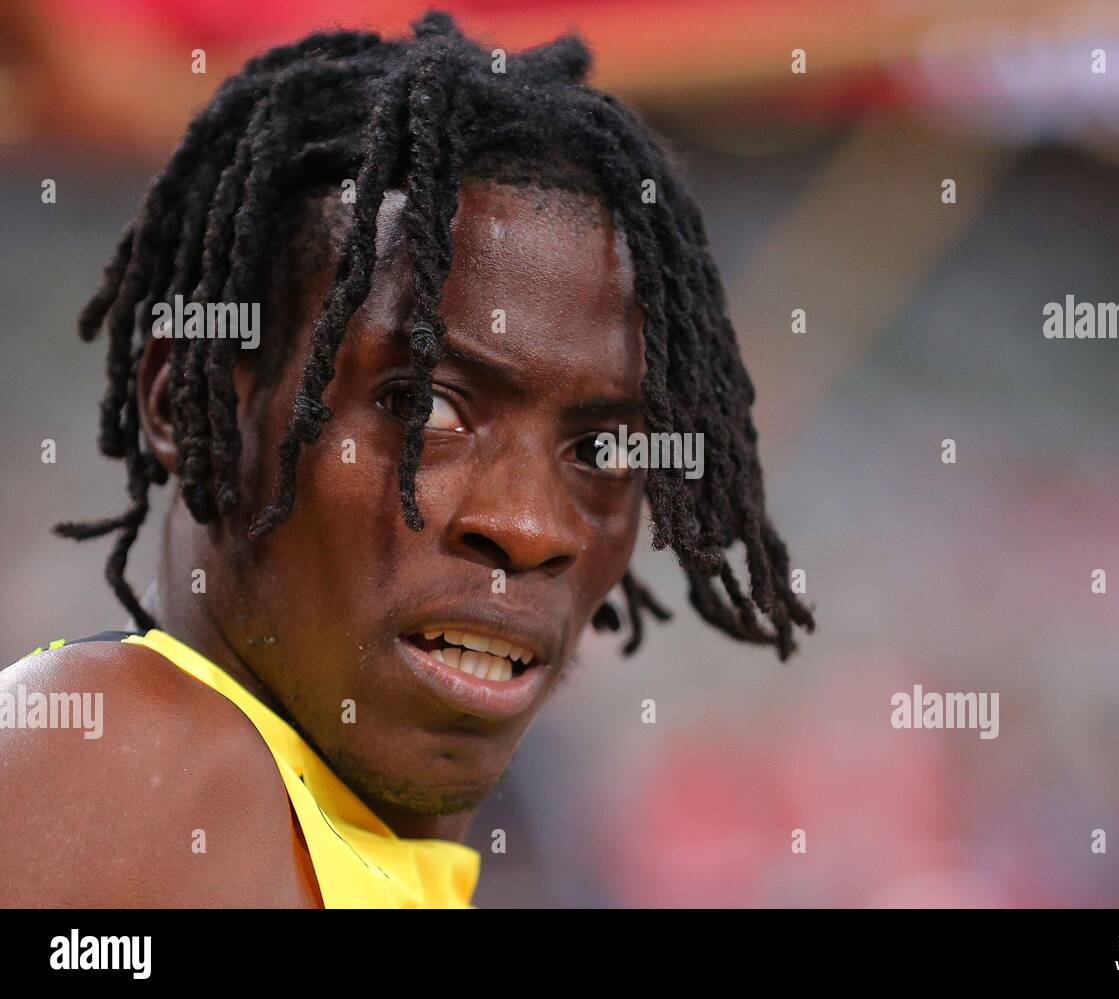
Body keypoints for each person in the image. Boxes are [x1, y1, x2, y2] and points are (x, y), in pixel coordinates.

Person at [0, 9, 813, 908]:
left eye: (601, 447)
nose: (532, 526)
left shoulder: (322, 841)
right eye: (425, 403)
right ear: (188, 408)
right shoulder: (122, 764)